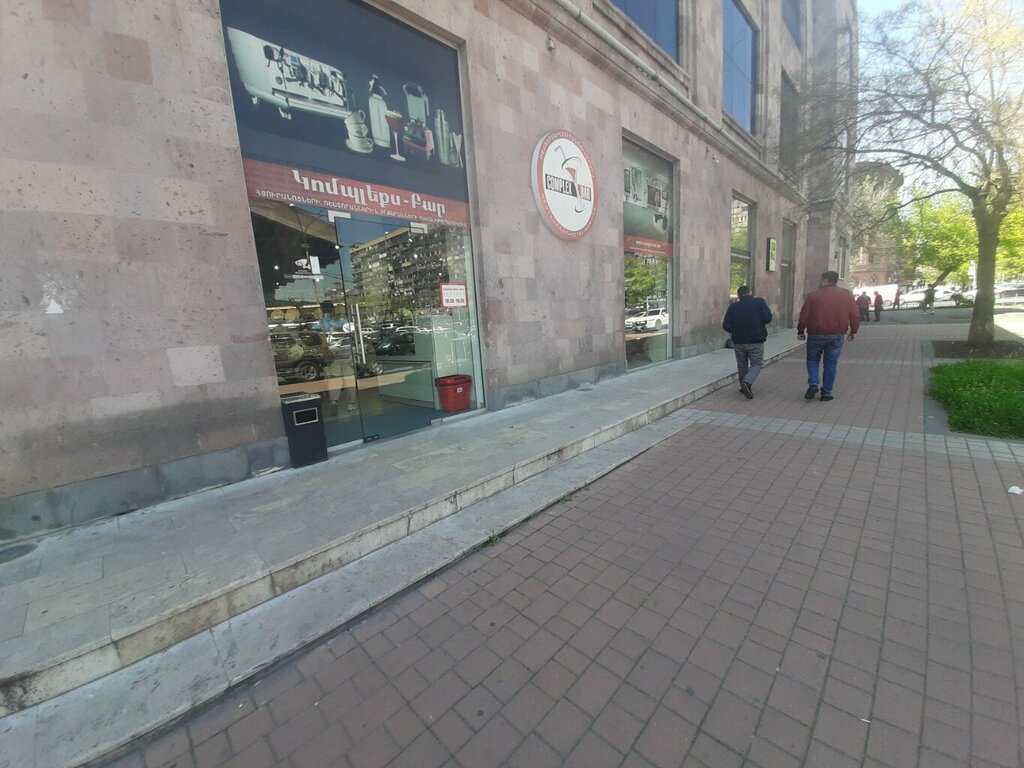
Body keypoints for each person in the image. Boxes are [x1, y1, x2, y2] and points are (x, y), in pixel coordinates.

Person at [797, 271, 859, 402]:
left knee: (812, 360)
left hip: (815, 334)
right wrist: (853, 331)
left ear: (825, 280)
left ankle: (813, 383)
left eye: (821, 280)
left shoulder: (813, 295)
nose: (819, 282)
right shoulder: (846, 295)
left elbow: (804, 315)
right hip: (837, 334)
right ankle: (826, 393)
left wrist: (800, 331)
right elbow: (855, 315)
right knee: (830, 363)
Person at [722, 285, 773, 399]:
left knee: (742, 365)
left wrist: (735, 331)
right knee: (757, 364)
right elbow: (768, 318)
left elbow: (726, 325)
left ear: (738, 295)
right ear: (750, 292)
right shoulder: (759, 303)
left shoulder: (733, 307)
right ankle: (747, 382)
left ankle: (743, 386)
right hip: (756, 340)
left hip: (739, 341)